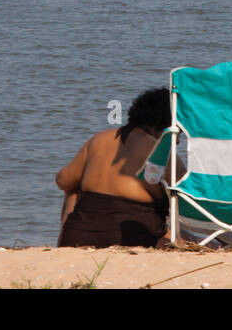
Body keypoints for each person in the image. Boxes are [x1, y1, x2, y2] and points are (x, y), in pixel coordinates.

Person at [55, 87, 172, 248]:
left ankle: (63, 242)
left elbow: (62, 180)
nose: (177, 141)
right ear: (166, 126)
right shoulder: (159, 149)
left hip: (78, 235)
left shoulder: (98, 139)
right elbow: (187, 196)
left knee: (72, 186)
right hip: (133, 238)